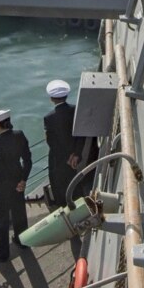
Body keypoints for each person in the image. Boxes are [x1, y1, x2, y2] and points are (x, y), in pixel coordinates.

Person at [0, 109, 32, 261]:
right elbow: (27, 160)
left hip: (1, 185)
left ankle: (2, 251)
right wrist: (23, 180)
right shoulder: (20, 135)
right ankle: (22, 240)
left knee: (2, 217)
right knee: (19, 211)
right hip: (18, 180)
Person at [44, 78, 84, 207]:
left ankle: (64, 207)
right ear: (66, 95)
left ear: (51, 98)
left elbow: (52, 142)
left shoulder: (49, 118)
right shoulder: (76, 110)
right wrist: (76, 154)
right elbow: (81, 134)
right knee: (76, 183)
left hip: (60, 158)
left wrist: (67, 157)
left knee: (59, 184)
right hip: (76, 154)